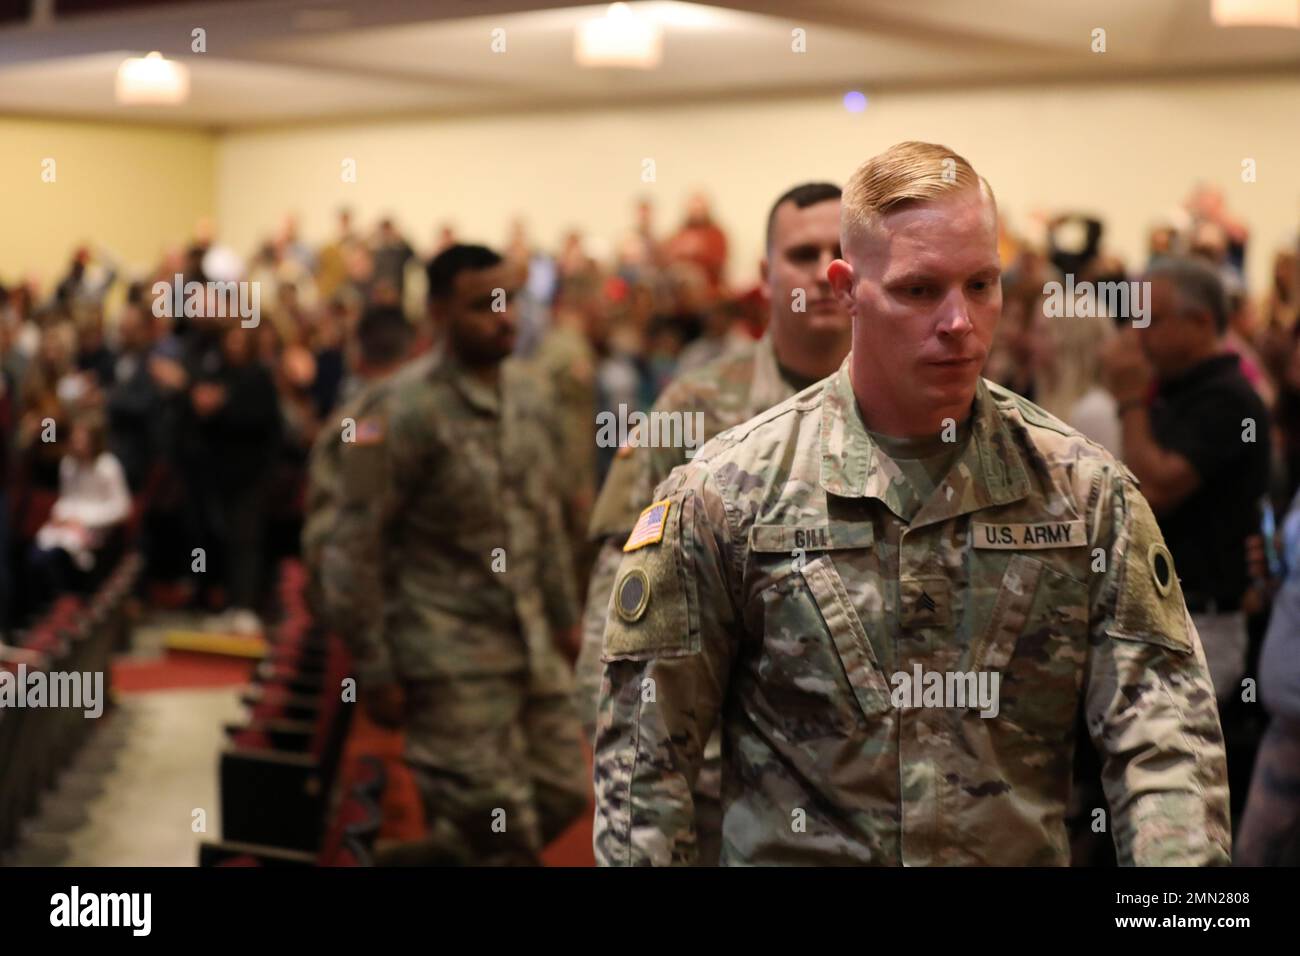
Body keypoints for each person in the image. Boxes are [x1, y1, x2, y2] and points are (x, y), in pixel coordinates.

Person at [593, 141, 1229, 866]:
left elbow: (1165, 737)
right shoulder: (729, 492)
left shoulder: (1083, 493)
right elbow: (647, 766)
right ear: (844, 289)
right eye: (920, 291)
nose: (959, 322)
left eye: (981, 285)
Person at [577, 181, 850, 864]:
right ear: (763, 276)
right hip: (718, 795)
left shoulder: (905, 415)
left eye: (841, 252)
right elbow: (617, 602)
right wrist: (633, 766)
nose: (823, 271)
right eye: (802, 253)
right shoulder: (693, 408)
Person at [325, 245, 586, 865]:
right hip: (443, 658)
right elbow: (351, 546)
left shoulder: (529, 395)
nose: (504, 318)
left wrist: (563, 616)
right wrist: (375, 665)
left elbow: (545, 518)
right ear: (438, 313)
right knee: (502, 834)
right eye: (483, 305)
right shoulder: (393, 410)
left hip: (528, 646)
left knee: (565, 793)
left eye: (510, 301)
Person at [1100, 257, 1271, 706]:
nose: (1137, 337)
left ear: (1200, 322)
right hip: (1166, 618)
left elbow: (1152, 494)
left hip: (1202, 625)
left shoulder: (1227, 399)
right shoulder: (1180, 390)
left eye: (1151, 321)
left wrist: (1131, 399)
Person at [28, 413, 130, 607]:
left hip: (96, 528)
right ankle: (50, 608)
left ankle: (70, 604)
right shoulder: (68, 464)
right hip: (69, 524)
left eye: (81, 438)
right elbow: (67, 498)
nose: (76, 443)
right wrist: (61, 515)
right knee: (37, 555)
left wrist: (83, 520)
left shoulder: (108, 466)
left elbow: (121, 508)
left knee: (61, 558)